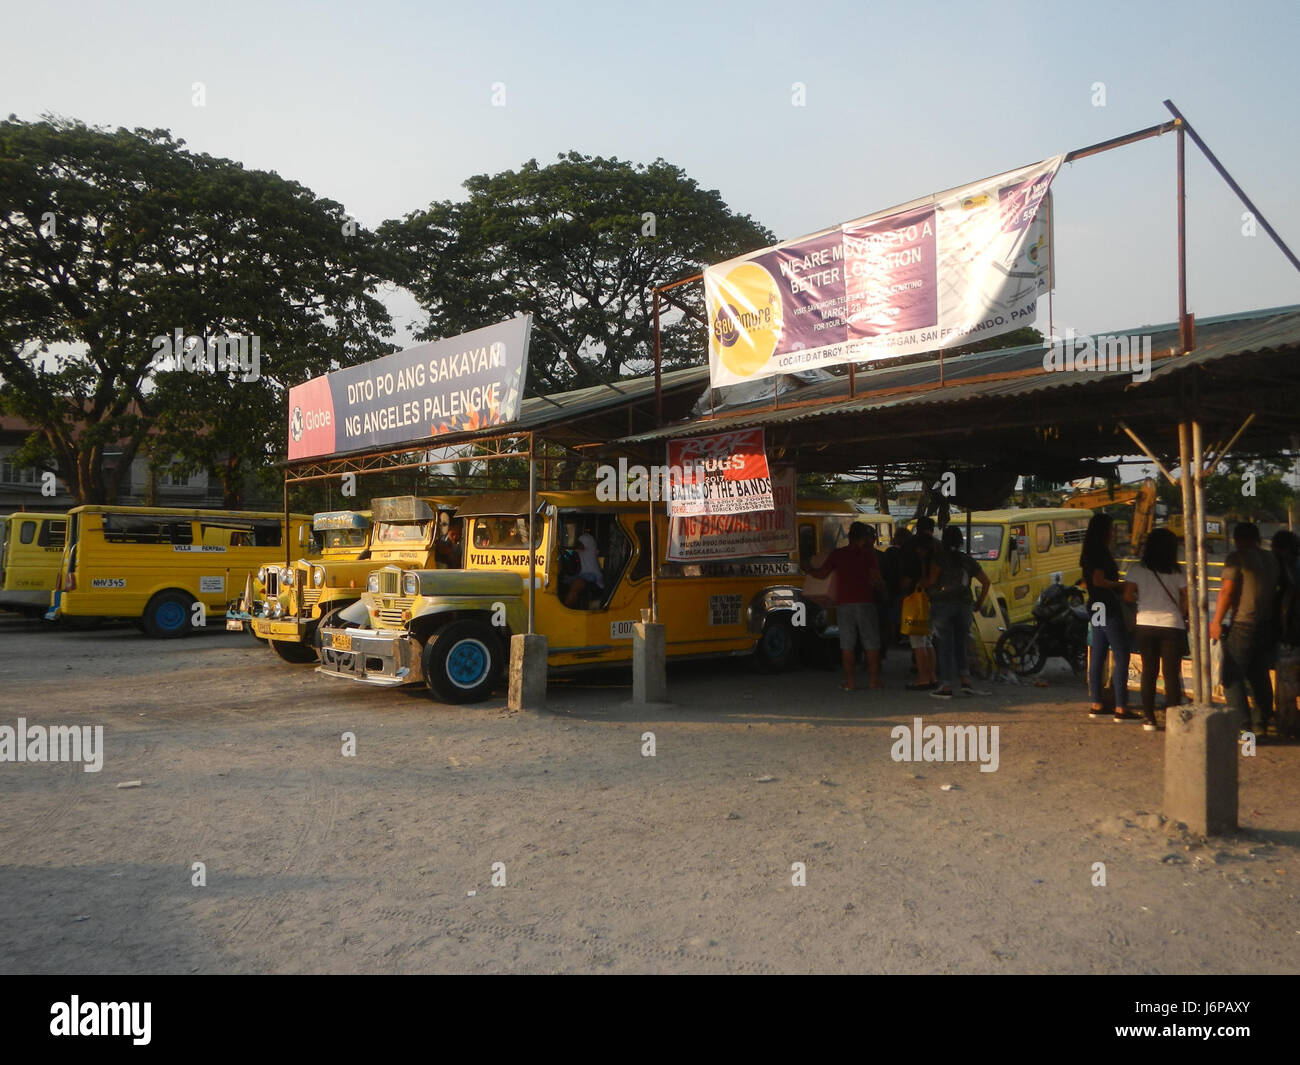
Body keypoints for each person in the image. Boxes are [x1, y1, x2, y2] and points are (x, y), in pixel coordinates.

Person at [1212, 522, 1279, 739]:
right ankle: (1261, 723)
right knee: (1258, 674)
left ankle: (1242, 726)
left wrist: (1215, 621)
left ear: (1237, 539)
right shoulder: (1271, 558)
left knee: (1230, 676)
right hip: (1266, 625)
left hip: (1243, 623)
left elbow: (1226, 591)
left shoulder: (1236, 558)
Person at [803, 520, 886, 691]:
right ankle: (874, 681)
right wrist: (884, 590)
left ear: (849, 537)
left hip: (844, 604)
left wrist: (808, 569)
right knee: (871, 643)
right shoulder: (868, 555)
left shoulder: (838, 554)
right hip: (865, 602)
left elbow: (821, 574)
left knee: (847, 644)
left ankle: (850, 682)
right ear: (863, 537)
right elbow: (876, 579)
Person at [1124, 527, 1187, 731]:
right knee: (1171, 674)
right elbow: (1186, 599)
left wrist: (1142, 601)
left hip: (1145, 624)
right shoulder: (1178, 572)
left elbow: (1127, 596)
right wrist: (1182, 613)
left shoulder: (1137, 569)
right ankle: (1173, 718)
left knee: (1149, 671)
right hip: (1172, 625)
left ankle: (1149, 718)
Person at [925, 525, 992, 699]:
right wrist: (978, 602)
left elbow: (932, 581)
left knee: (945, 645)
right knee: (961, 643)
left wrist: (922, 584)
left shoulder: (938, 559)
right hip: (965, 606)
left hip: (942, 605)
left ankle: (946, 685)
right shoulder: (966, 559)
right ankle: (965, 681)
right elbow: (986, 582)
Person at [1081, 512, 1134, 720]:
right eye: (1111, 529)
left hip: (1095, 605)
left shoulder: (1087, 551)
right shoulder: (1100, 553)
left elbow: (1089, 582)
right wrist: (1121, 586)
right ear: (1104, 531)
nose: (1113, 533)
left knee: (1098, 653)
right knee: (1121, 654)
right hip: (1108, 605)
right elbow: (1099, 580)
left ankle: (1096, 703)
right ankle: (1121, 707)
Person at [900, 517, 939, 691]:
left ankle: (922, 678)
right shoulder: (938, 546)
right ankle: (932, 676)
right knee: (928, 640)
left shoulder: (911, 546)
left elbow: (906, 575)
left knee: (918, 641)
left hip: (916, 599)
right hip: (934, 598)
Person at [1271, 529, 1300, 739]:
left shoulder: (1283, 569)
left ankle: (1287, 726)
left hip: (1290, 636)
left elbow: (1286, 605)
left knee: (1287, 685)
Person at [564, 531, 604, 608]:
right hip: (582, 575)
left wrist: (566, 547)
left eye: (579, 543)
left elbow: (578, 547)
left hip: (594, 578)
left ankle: (566, 608)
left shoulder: (589, 541)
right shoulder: (578, 549)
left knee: (576, 584)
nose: (577, 544)